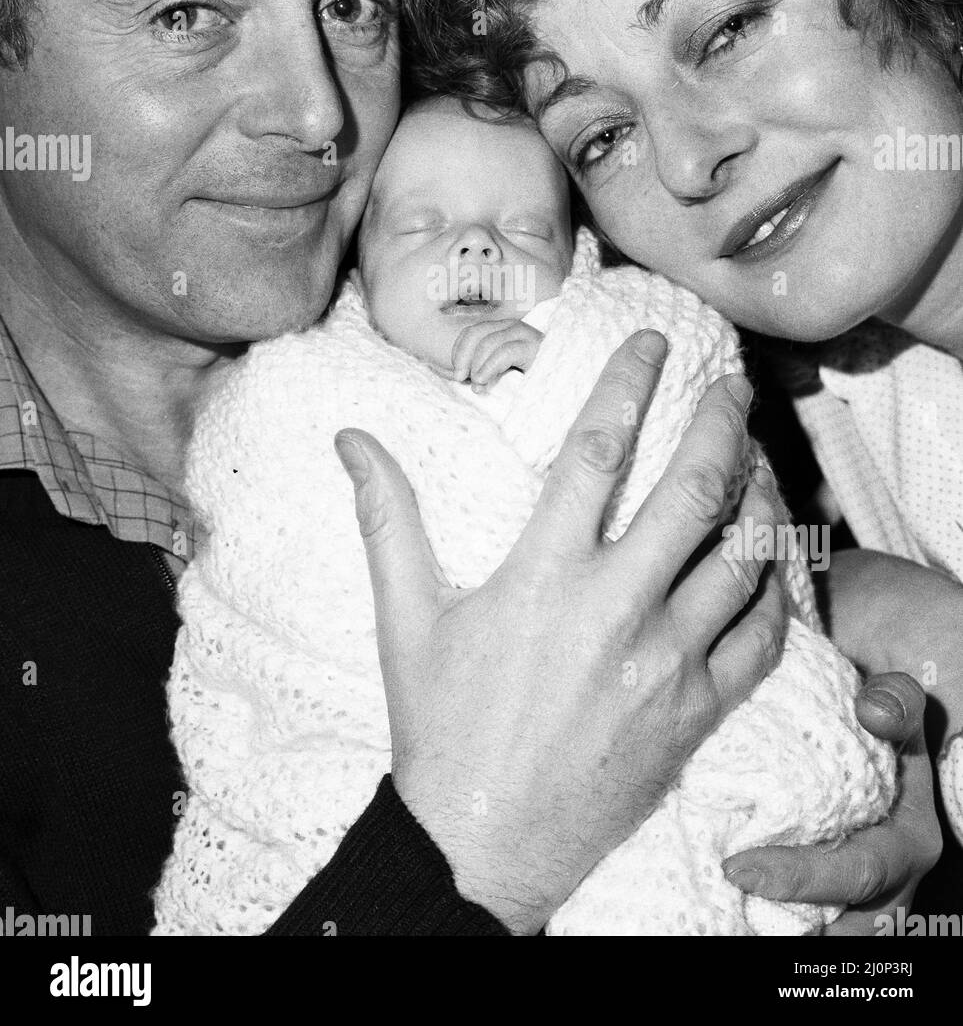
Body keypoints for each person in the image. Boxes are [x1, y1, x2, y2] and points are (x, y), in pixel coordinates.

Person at [0, 0, 936, 937]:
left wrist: (845, 636)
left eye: (352, 9)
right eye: (187, 16)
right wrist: (463, 850)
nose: (315, 113)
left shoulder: (565, 308)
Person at [402, 0, 963, 898]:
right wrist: (887, 609)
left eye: (724, 30)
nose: (689, 159)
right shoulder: (841, 403)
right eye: (599, 137)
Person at [152, 95, 898, 937]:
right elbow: (273, 571)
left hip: (681, 735)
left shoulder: (632, 339)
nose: (475, 248)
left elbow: (716, 506)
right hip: (374, 786)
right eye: (420, 227)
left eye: (524, 231)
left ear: (579, 259)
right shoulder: (300, 394)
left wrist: (555, 383)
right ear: (357, 274)